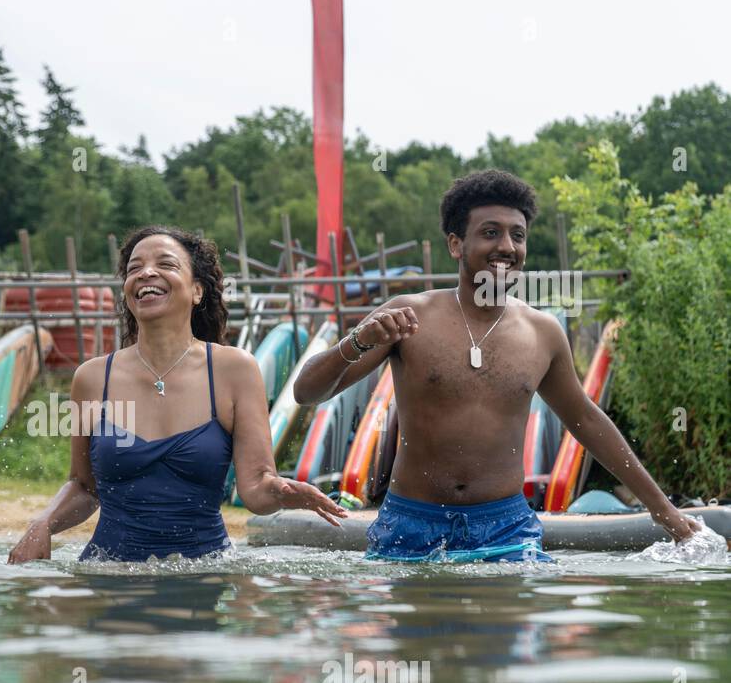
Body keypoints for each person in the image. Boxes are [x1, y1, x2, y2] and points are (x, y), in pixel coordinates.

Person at [293, 169, 698, 561]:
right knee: (415, 628)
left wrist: (664, 511)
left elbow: (587, 421)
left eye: (517, 235)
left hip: (505, 528)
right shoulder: (407, 316)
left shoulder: (543, 332)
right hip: (410, 524)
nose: (507, 246)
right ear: (456, 244)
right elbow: (306, 392)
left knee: (506, 629)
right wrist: (357, 341)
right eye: (490, 232)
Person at [8, 226, 346, 564]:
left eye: (165, 264)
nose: (146, 273)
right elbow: (84, 487)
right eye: (134, 269)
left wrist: (283, 492)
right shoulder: (93, 378)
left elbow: (256, 489)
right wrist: (44, 523)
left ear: (197, 291)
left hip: (202, 580)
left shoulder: (234, 370)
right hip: (107, 578)